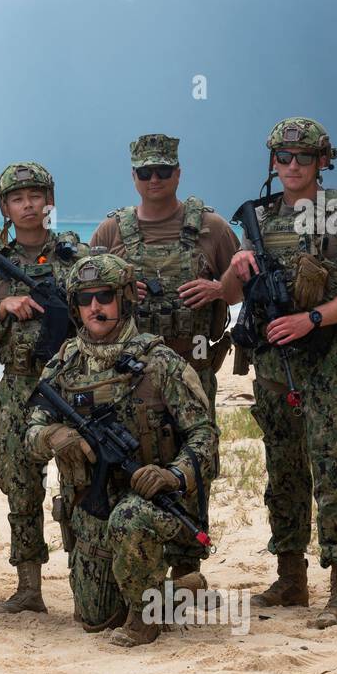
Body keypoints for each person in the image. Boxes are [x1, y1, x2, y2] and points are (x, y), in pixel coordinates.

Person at [219, 117, 337, 628]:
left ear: (322, 161)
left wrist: (312, 317)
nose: (292, 166)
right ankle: (291, 577)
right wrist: (239, 263)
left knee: (333, 469)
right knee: (282, 469)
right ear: (272, 161)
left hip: (324, 358)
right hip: (271, 362)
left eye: (303, 158)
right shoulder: (258, 220)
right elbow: (228, 294)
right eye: (283, 158)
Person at [24, 254, 218, 646]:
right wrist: (55, 437)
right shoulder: (64, 365)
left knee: (130, 516)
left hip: (154, 503)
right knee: (93, 619)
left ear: (125, 298)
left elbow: (205, 436)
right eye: (85, 299)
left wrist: (172, 475)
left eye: (105, 296)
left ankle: (144, 618)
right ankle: (176, 594)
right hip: (94, 504)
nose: (95, 307)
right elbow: (29, 434)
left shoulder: (159, 362)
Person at [90, 134, 238, 589]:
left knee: (192, 462)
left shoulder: (210, 226)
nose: (154, 179)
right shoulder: (113, 231)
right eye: (144, 172)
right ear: (133, 176)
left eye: (163, 171)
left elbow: (243, 287)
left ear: (178, 172)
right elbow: (86, 299)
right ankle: (138, 563)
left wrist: (216, 290)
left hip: (192, 369)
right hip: (129, 379)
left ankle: (188, 566)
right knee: (134, 463)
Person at [0, 161, 86, 613]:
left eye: (36, 195)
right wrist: (3, 307)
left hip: (74, 387)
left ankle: (86, 581)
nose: (28, 204)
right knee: (21, 486)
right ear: (5, 208)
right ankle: (29, 588)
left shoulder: (78, 258)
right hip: (18, 387)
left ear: (49, 200)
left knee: (81, 482)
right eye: (18, 198)